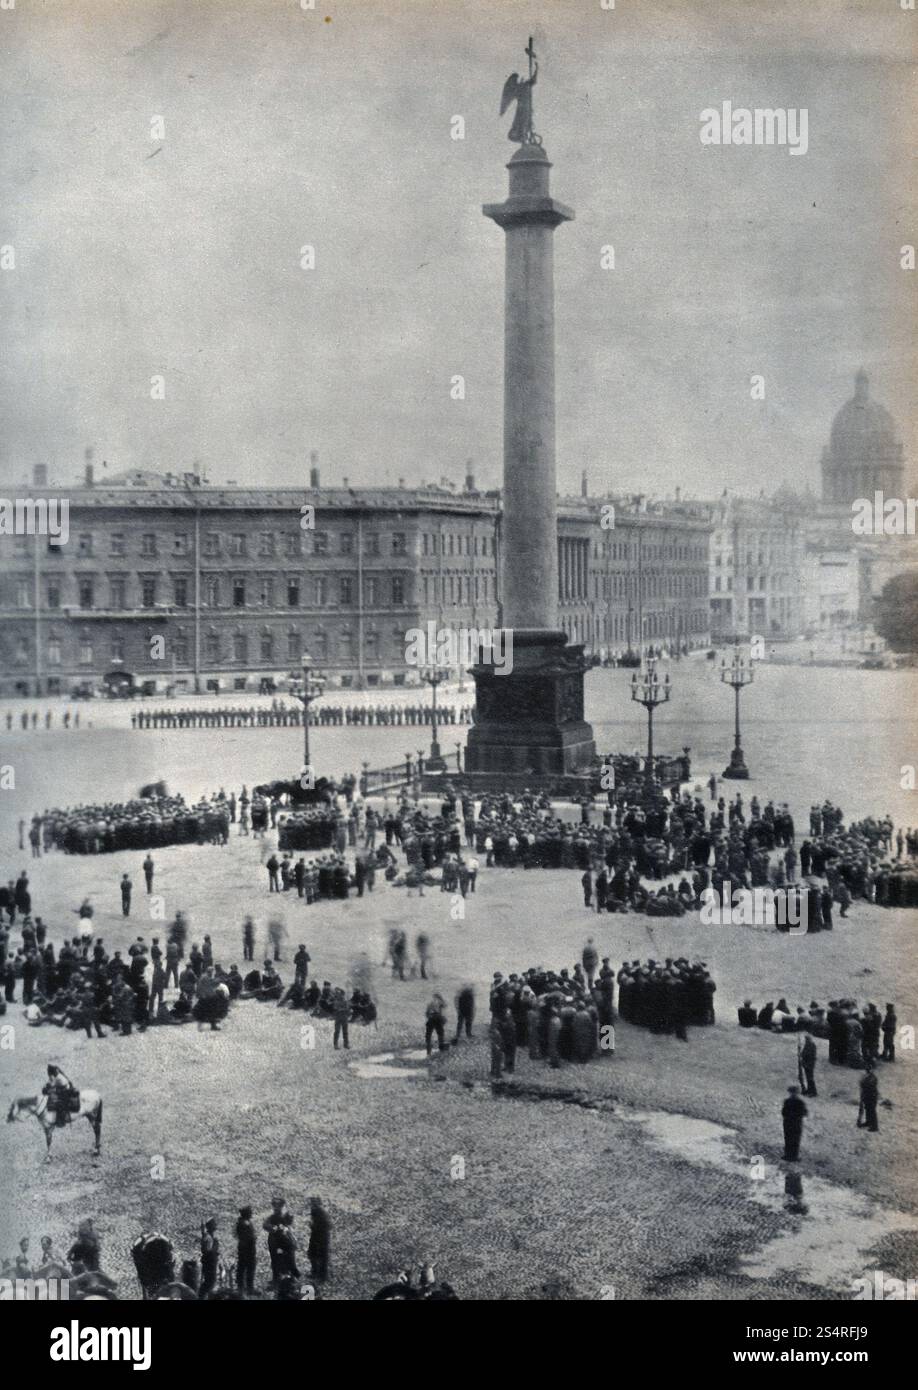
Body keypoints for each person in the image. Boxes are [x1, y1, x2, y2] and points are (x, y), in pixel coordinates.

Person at [307, 1197, 330, 1283]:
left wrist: (313, 1226)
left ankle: (322, 1275)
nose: (312, 1204)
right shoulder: (315, 1211)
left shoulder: (320, 1212)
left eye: (314, 1203)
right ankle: (315, 1272)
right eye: (312, 1202)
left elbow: (327, 1225)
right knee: (312, 1254)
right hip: (316, 1236)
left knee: (321, 1256)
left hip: (321, 1237)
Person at [781, 1085, 807, 1162]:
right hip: (794, 1123)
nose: (793, 1094)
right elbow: (804, 1113)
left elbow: (784, 1112)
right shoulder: (799, 1102)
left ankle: (791, 1156)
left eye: (794, 1093)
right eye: (792, 1092)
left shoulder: (788, 1101)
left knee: (791, 1139)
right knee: (791, 1139)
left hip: (790, 1123)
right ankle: (791, 1156)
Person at [235, 1207, 256, 1294]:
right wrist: (253, 1238)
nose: (251, 1214)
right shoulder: (244, 1224)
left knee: (243, 1268)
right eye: (250, 1213)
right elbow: (247, 1237)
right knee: (248, 1268)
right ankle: (248, 1288)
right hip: (247, 1249)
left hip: (245, 1248)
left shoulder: (243, 1223)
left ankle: (243, 1287)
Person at [858, 1066, 879, 1132]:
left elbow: (868, 1085)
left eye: (869, 1069)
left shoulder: (873, 1077)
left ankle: (875, 1126)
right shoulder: (866, 1076)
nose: (868, 1070)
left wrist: (863, 1084)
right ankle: (868, 1122)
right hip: (866, 1095)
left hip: (872, 1096)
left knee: (872, 1110)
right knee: (867, 1109)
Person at [800, 1030, 818, 1097]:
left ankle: (813, 1092)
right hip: (806, 1063)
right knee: (808, 1078)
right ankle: (809, 1090)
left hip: (809, 1064)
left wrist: (803, 1055)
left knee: (810, 1078)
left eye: (806, 1038)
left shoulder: (812, 1045)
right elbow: (804, 1052)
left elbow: (809, 1054)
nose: (805, 1039)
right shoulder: (807, 1044)